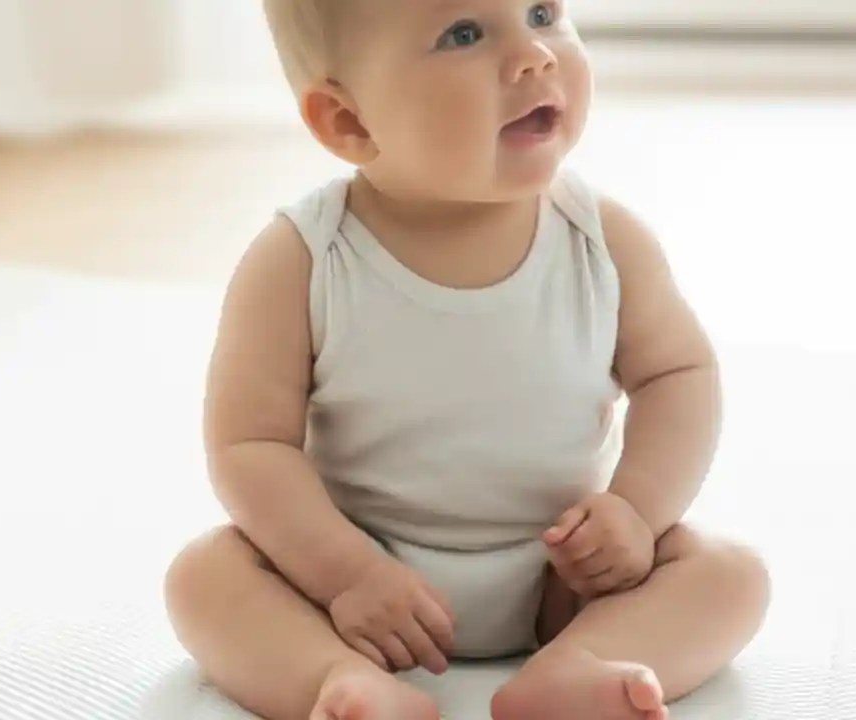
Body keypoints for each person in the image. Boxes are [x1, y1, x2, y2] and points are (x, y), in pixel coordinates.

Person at [165, 2, 770, 718]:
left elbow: (679, 377)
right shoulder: (302, 259)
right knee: (204, 578)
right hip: (362, 584)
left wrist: (636, 513)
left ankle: (580, 665)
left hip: (565, 577)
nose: (534, 56)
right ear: (348, 123)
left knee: (730, 575)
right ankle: (339, 681)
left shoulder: (602, 240)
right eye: (465, 35)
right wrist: (344, 573)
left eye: (542, 12)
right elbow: (250, 444)